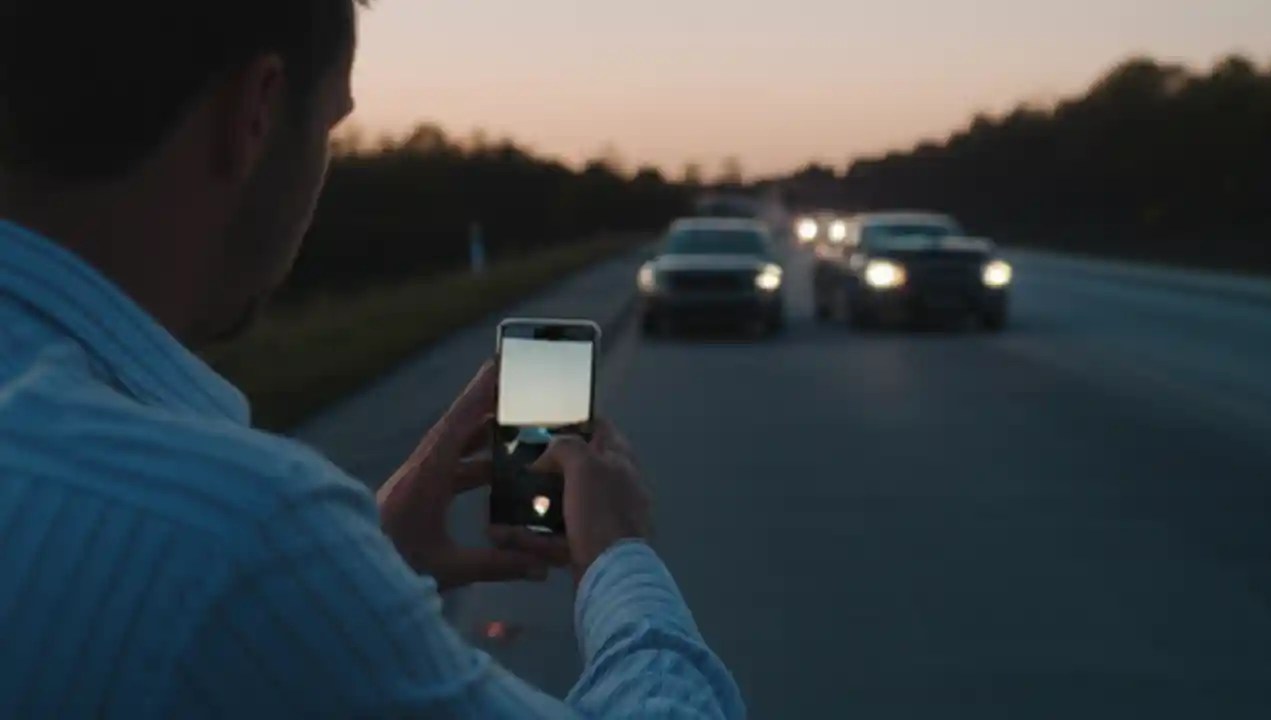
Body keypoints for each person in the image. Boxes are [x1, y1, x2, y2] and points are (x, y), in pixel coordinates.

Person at [0, 2, 744, 717]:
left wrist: (364, 566)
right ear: (255, 112)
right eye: (330, 125)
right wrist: (618, 553)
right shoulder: (235, 535)